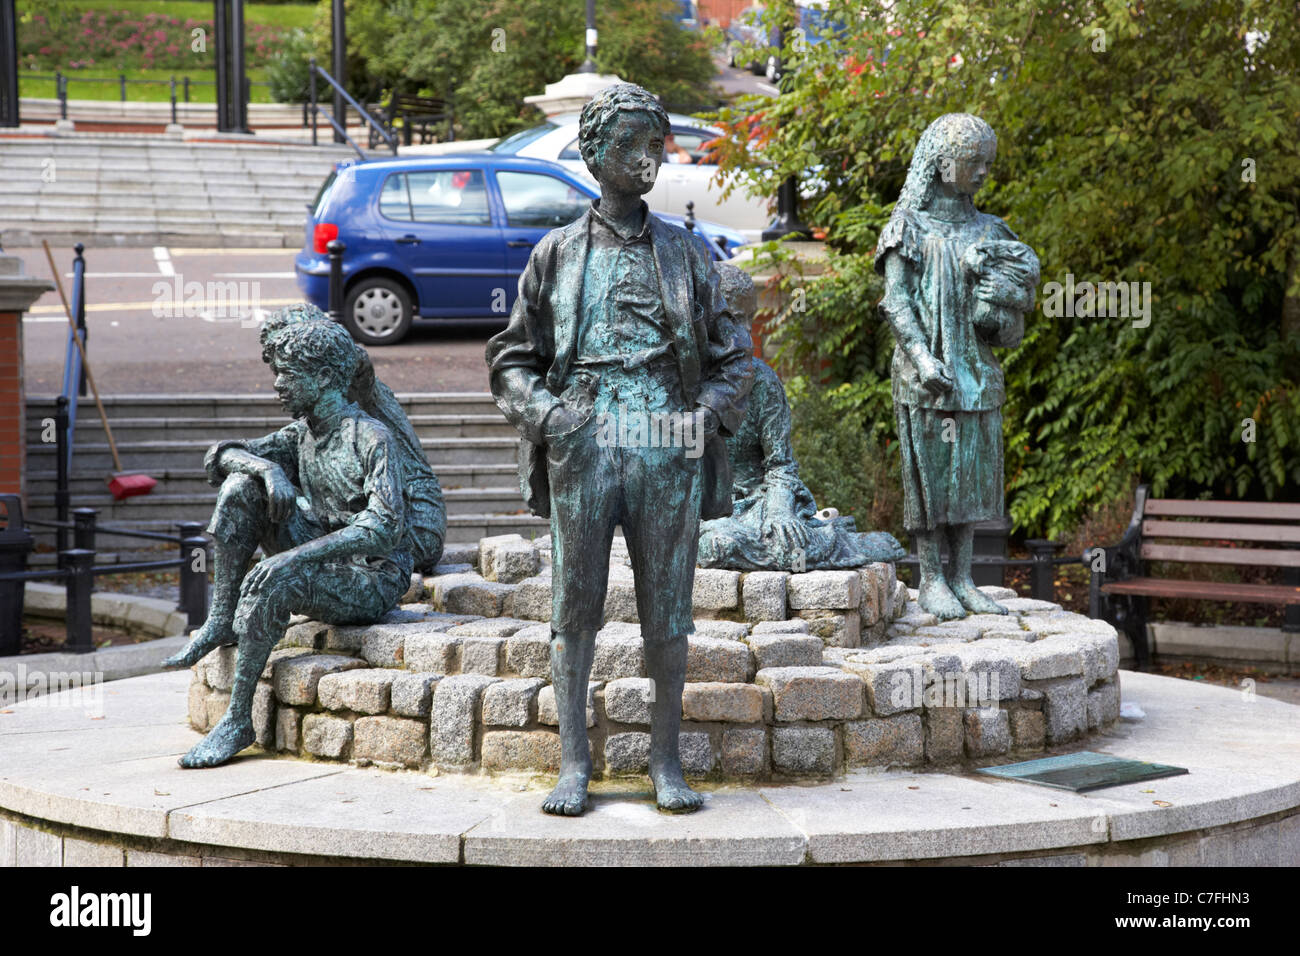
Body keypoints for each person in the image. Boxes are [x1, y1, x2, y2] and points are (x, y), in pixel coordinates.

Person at [486, 83, 752, 815]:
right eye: (632, 144)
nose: (648, 158)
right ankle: (575, 763)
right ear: (593, 152)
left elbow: (736, 358)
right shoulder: (556, 253)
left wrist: (700, 418)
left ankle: (664, 762)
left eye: (656, 146)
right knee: (575, 609)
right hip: (586, 439)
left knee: (668, 612)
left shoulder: (687, 252)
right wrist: (549, 417)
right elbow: (511, 358)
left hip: (666, 437)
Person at [163, 320, 420, 768]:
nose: (277, 385)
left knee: (274, 581)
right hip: (322, 555)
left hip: (371, 577)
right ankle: (222, 617)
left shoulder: (371, 436)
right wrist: (268, 471)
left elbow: (383, 528)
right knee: (242, 488)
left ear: (322, 378)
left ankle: (238, 719)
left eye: (288, 374)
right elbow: (221, 455)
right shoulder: (301, 434)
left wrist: (290, 559)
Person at [873, 113, 1039, 620]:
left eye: (989, 163)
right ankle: (930, 579)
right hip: (926, 377)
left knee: (971, 477)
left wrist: (1006, 302)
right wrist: (922, 358)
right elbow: (896, 302)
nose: (984, 172)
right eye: (974, 162)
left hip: (976, 375)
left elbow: (1015, 314)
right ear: (943, 165)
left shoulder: (991, 231)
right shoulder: (908, 228)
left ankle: (964, 578)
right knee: (931, 480)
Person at [698, 264, 905, 571]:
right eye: (730, 320)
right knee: (711, 544)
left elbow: (781, 465)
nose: (740, 333)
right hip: (699, 507)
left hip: (758, 504)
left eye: (745, 320)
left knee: (786, 548)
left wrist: (779, 511)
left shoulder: (762, 382)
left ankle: (844, 542)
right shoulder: (685, 378)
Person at [259, 304, 445, 571]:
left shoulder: (352, 375)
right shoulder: (314, 409)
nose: (278, 379)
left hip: (411, 522)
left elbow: (354, 358)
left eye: (287, 364)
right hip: (358, 515)